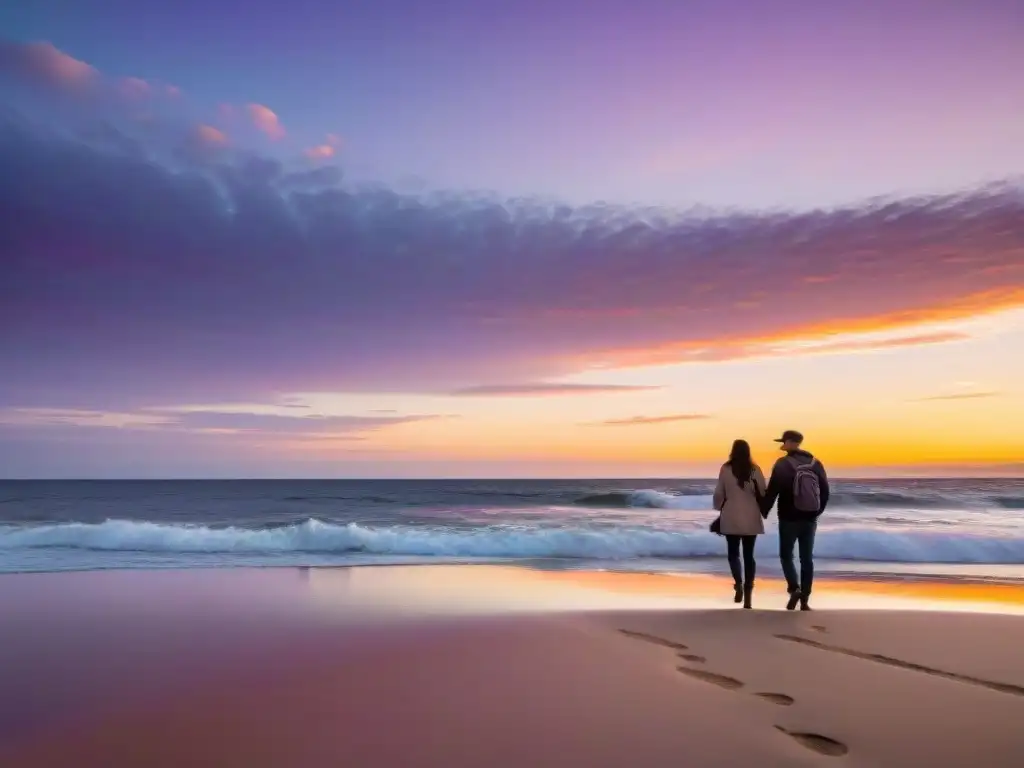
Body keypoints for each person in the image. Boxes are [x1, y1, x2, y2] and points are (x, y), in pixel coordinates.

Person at [761, 430, 830, 611]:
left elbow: (772, 491)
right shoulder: (816, 463)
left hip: (788, 517)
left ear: (792, 443)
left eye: (784, 441)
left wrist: (763, 511)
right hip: (810, 518)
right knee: (807, 559)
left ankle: (794, 589)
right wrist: (816, 512)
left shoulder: (783, 464)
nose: (781, 445)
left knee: (786, 555)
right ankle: (805, 600)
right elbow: (825, 491)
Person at [712, 439, 767, 609]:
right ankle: (749, 595)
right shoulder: (755, 469)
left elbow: (719, 493)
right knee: (749, 556)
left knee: (733, 554)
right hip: (751, 517)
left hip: (731, 516)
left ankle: (738, 584)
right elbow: (764, 492)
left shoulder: (726, 469)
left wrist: (718, 507)